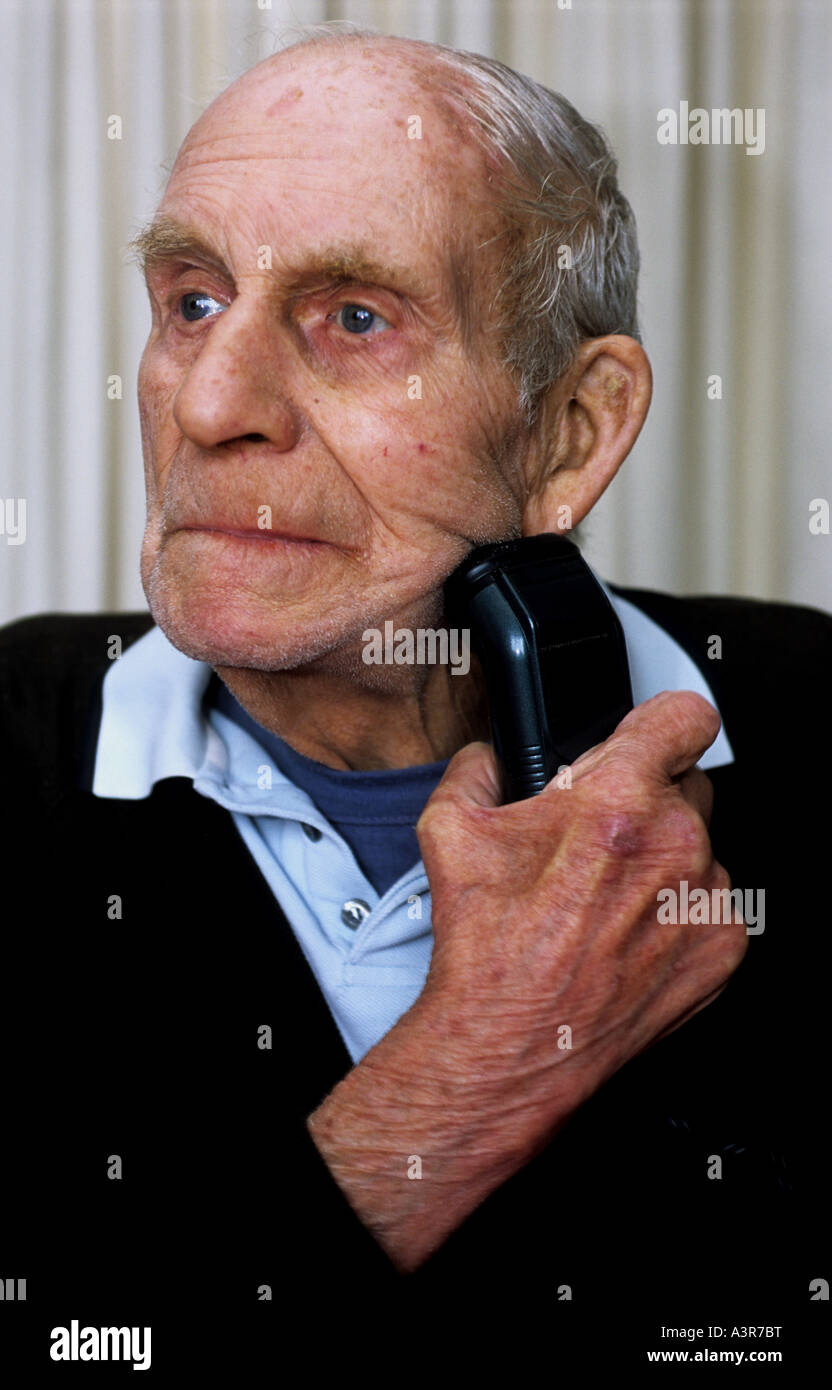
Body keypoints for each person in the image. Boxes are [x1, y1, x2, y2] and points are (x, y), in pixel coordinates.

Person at [2, 25, 829, 1371]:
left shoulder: (808, 715)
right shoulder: (21, 741)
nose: (212, 403)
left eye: (355, 316)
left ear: (568, 428)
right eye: (193, 299)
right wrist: (482, 1061)